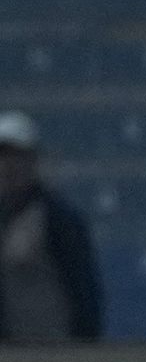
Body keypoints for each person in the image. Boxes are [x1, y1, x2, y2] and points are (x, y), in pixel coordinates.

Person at [0, 111, 103, 342]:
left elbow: (83, 290)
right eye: (3, 158)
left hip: (54, 351)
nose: (8, 166)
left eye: (16, 157)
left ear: (32, 161)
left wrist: (84, 348)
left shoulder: (58, 220)